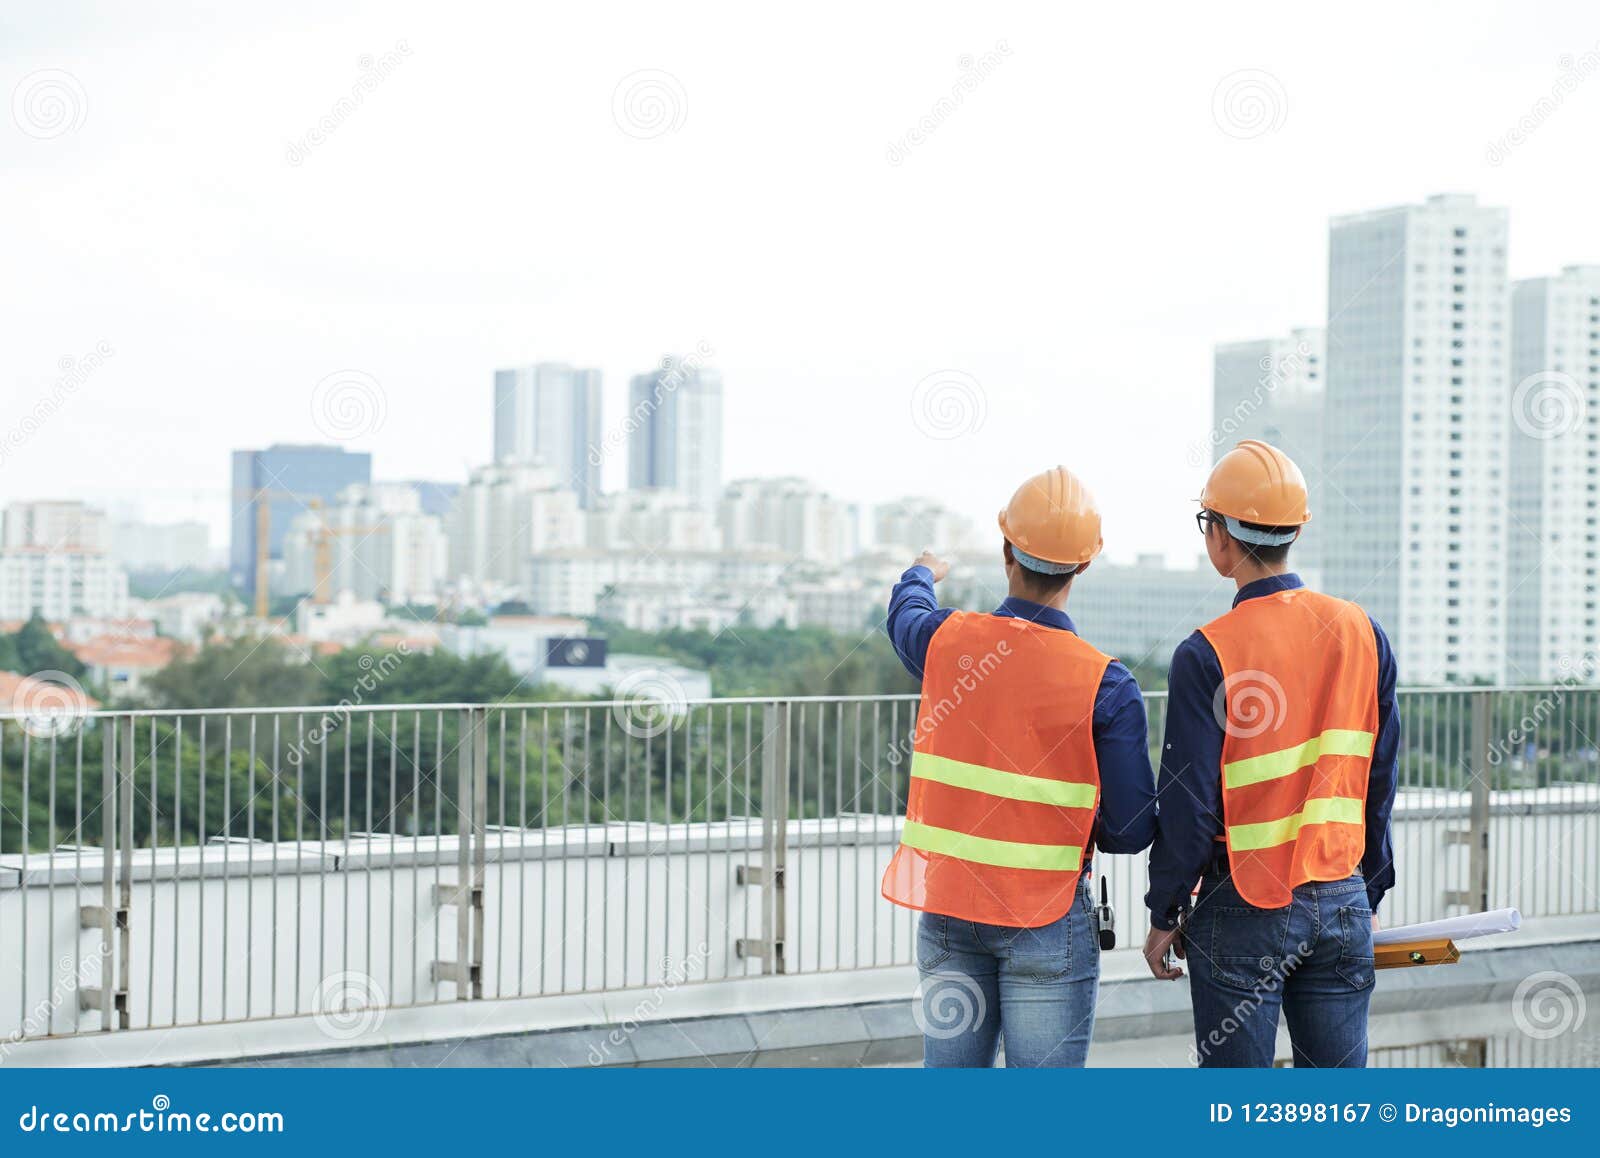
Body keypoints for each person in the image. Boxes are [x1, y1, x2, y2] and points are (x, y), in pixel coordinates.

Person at [882, 465, 1156, 1067]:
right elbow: (1132, 828)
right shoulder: (1106, 683)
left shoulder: (948, 643)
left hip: (951, 910)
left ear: (1007, 548)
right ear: (1084, 565)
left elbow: (904, 618)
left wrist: (922, 572)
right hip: (1049, 915)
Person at [1141, 439, 1399, 1068]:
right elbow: (1379, 776)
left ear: (1221, 540)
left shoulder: (1206, 654)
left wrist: (1167, 908)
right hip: (1340, 893)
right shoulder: (1362, 633)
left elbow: (1189, 802)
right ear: (1293, 533)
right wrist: (1366, 889)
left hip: (1244, 900)